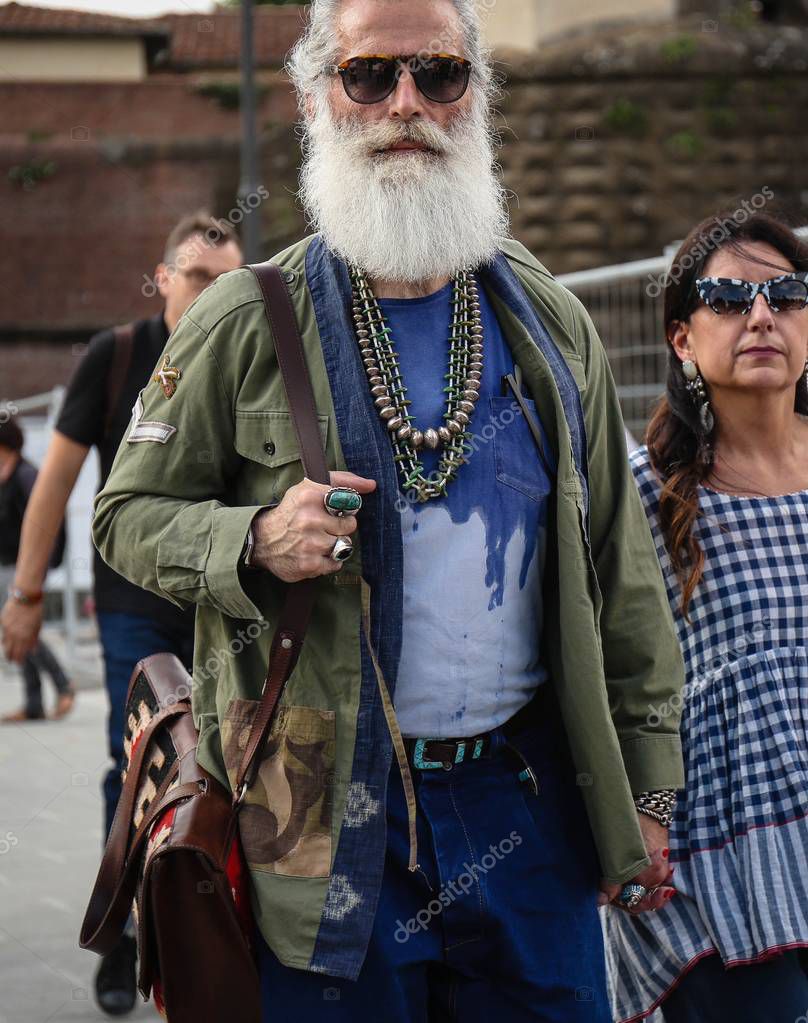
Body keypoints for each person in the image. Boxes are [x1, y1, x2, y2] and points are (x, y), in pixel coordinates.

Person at [91, 2, 685, 1019]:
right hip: (316, 810)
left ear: (475, 96)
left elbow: (618, 571)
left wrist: (650, 790)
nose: (405, 102)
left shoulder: (549, 321)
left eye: (438, 74)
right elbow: (124, 515)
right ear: (316, 98)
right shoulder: (242, 317)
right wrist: (252, 538)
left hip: (525, 805)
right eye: (369, 74)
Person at [1, 211, 243, 1017]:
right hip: (134, 601)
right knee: (139, 759)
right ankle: (127, 931)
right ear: (163, 278)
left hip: (226, 600)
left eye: (227, 280)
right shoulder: (115, 358)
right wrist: (26, 595)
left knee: (232, 761)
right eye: (197, 277)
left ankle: (217, 921)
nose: (212, 293)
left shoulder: (252, 353)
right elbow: (56, 481)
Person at [604, 211, 808, 1022]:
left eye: (786, 294)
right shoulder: (642, 496)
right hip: (716, 878)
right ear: (683, 339)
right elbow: (610, 678)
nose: (761, 315)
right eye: (728, 298)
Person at [0, 418, 74, 722]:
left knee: (19, 627)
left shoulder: (26, 474)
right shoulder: (4, 476)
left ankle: (63, 684)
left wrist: (41, 567)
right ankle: (33, 704)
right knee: (13, 630)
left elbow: (47, 521)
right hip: (5, 564)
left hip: (23, 569)